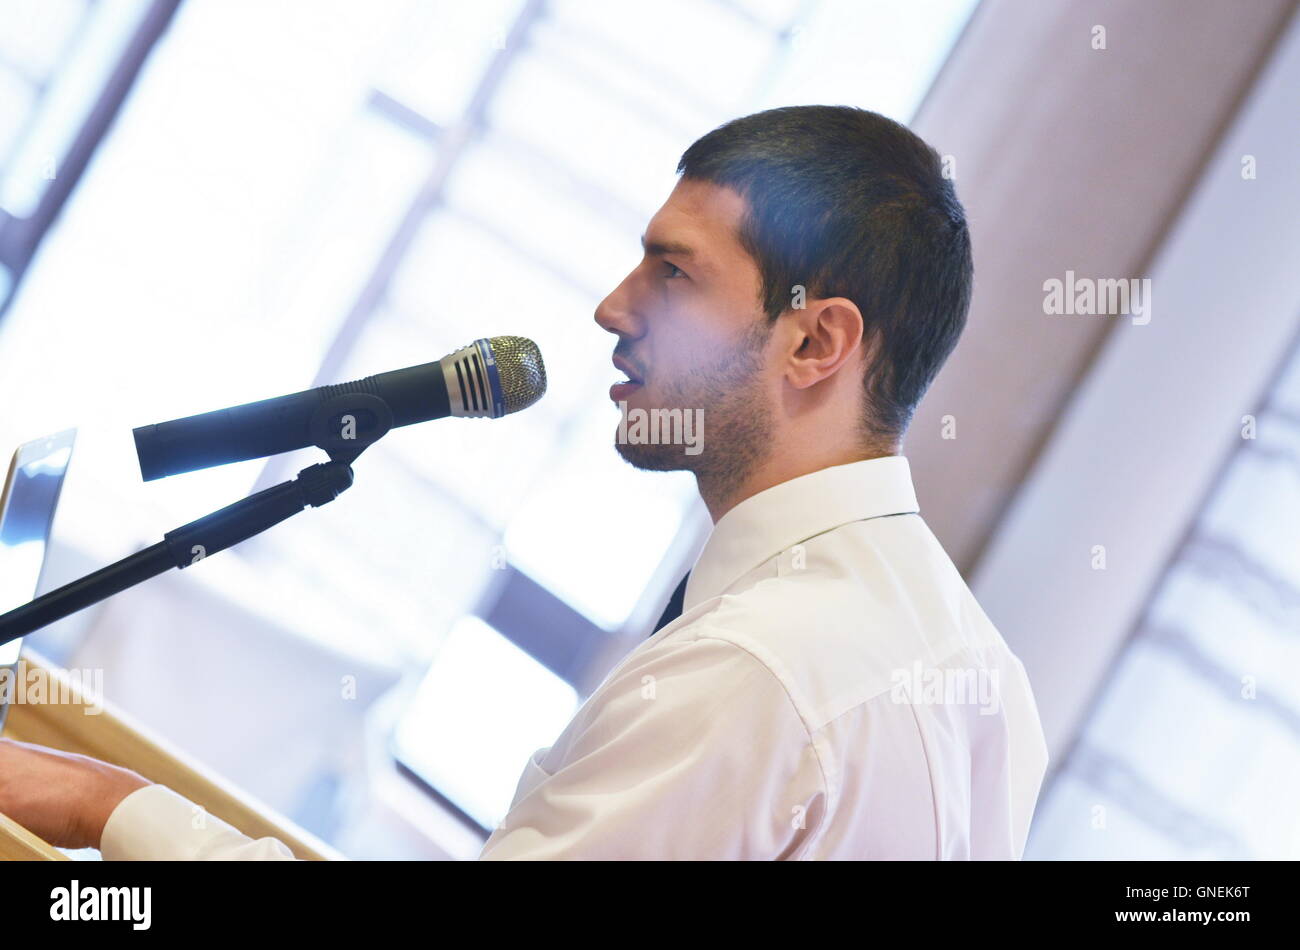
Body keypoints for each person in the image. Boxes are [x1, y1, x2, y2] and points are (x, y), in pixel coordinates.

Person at [0, 105, 1048, 860]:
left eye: (672, 273)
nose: (611, 306)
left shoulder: (753, 671)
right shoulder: (982, 674)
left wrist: (106, 807)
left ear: (815, 337)